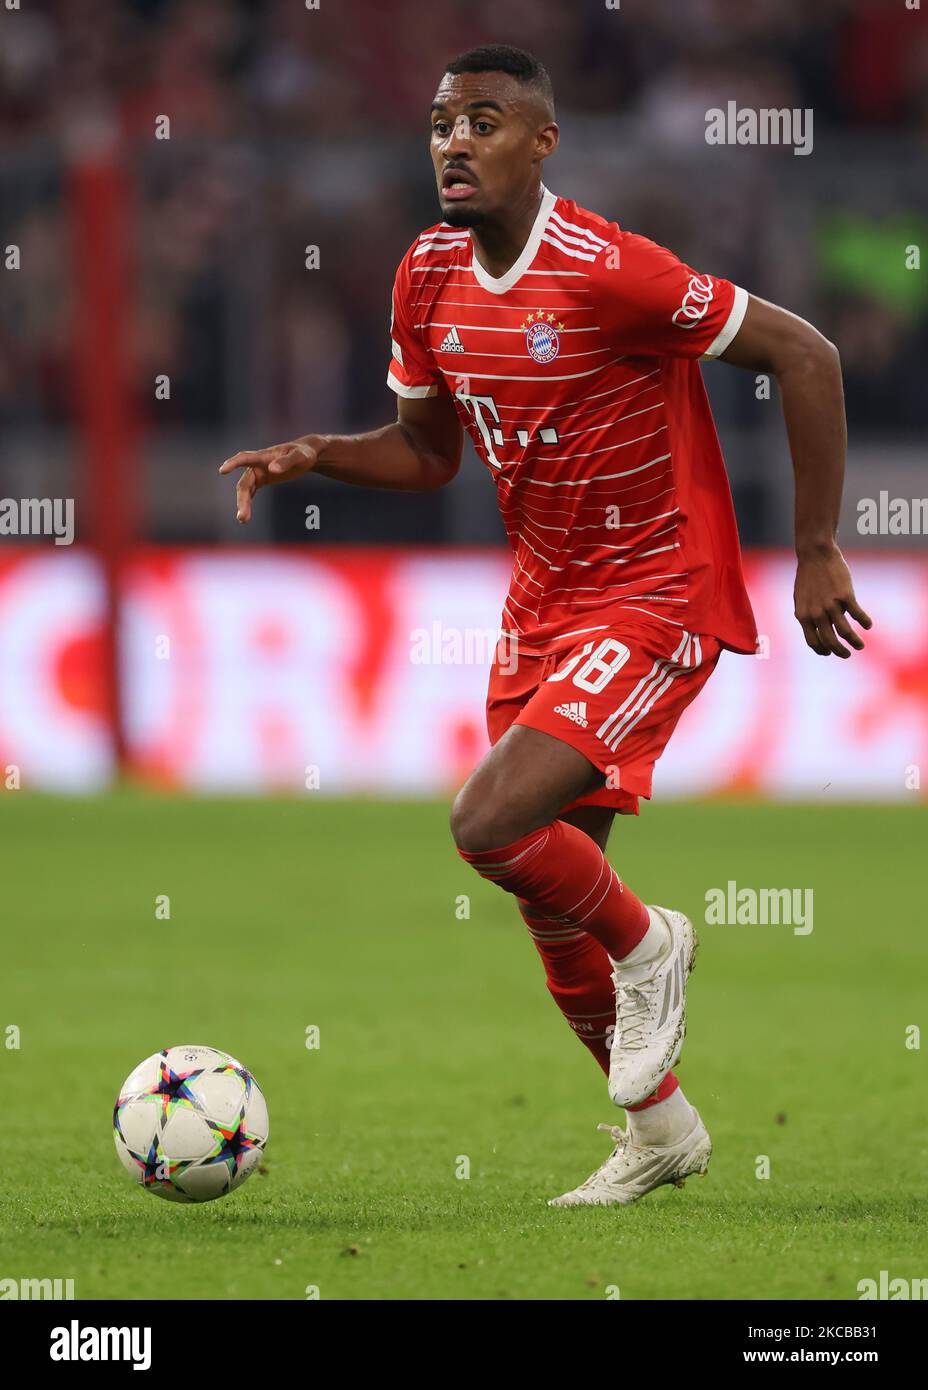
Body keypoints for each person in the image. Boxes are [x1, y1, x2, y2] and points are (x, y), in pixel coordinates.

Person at [220, 45, 871, 1207]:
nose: (454, 141)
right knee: (547, 885)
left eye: (483, 120)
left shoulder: (608, 268)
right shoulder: (423, 276)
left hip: (659, 587)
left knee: (488, 822)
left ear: (540, 143)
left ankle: (654, 946)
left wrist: (815, 545)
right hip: (544, 607)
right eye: (438, 123)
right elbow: (426, 453)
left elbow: (803, 353)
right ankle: (658, 1130)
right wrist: (318, 451)